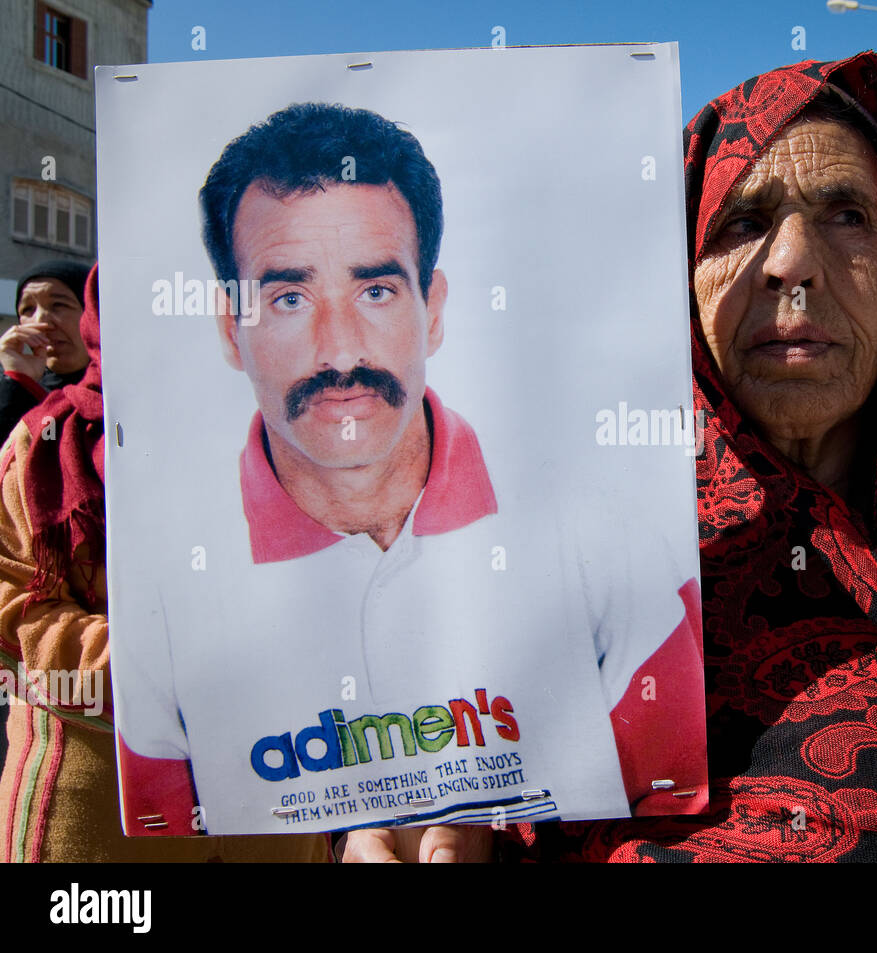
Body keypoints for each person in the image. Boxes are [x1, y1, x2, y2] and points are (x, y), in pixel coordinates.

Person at [347, 53, 877, 863]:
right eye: (743, 223)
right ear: (679, 280)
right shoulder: (544, 582)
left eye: (846, 215)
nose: (791, 264)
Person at [110, 103, 705, 836]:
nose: (339, 351)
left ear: (434, 308)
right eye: (289, 297)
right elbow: (163, 855)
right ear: (232, 329)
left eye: (377, 290)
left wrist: (508, 848)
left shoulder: (608, 533)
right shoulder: (161, 595)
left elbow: (679, 820)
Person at [0, 265, 330, 861]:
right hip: (96, 807)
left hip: (275, 797)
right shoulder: (42, 447)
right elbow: (14, 607)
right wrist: (153, 664)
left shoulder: (299, 435)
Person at [0, 260, 92, 440]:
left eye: (58, 305)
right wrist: (18, 381)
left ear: (92, 313)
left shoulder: (121, 392)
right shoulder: (17, 392)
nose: (41, 322)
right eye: (28, 310)